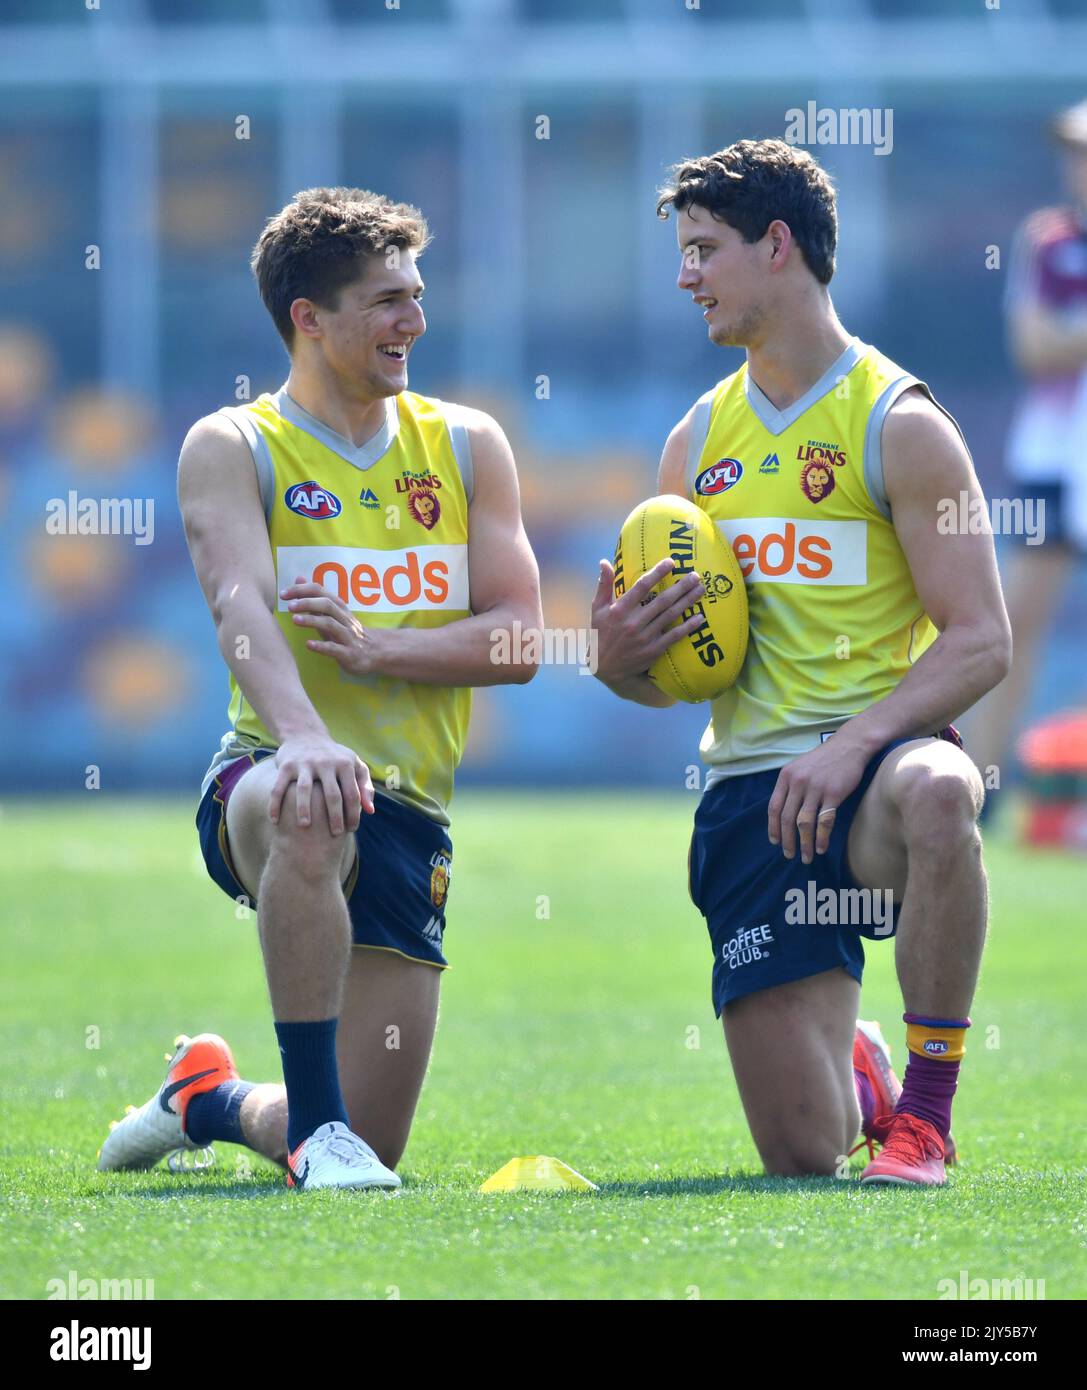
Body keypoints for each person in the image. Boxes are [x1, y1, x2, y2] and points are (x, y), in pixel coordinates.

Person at [98, 187, 542, 1191]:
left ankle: (206, 1097)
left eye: (417, 296)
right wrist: (301, 733)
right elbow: (238, 604)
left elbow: (519, 637)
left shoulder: (469, 444)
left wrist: (382, 649)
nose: (414, 323)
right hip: (266, 775)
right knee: (309, 803)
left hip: (410, 809)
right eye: (387, 300)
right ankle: (318, 1142)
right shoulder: (233, 445)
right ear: (309, 316)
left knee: (372, 1137)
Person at [591, 140, 1010, 1186]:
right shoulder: (694, 445)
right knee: (800, 1155)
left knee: (942, 792)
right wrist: (616, 661)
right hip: (750, 799)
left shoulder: (898, 423)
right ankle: (856, 1077)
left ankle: (922, 1115)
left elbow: (981, 640)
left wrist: (854, 745)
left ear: (777, 246)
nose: (685, 274)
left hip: (870, 775)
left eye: (703, 250)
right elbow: (672, 675)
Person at [967, 99, 1087, 806]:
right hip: (1052, 458)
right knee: (1015, 630)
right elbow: (1034, 349)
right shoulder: (1046, 241)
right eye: (1072, 152)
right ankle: (984, 789)